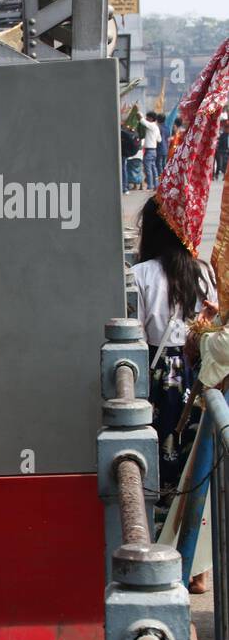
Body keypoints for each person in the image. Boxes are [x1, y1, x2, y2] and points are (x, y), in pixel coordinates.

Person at [133, 196, 215, 511]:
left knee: (161, 441)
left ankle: (162, 511)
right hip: (198, 368)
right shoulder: (203, 272)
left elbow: (136, 334)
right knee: (195, 445)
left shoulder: (140, 275)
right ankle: (194, 512)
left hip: (159, 372)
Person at [142, 112, 162, 191]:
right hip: (154, 150)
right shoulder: (156, 127)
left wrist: (138, 112)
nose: (146, 119)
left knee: (148, 168)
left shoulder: (152, 125)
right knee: (153, 168)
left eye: (147, 117)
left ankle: (150, 185)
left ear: (151, 118)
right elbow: (159, 139)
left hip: (149, 150)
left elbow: (142, 121)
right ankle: (156, 185)